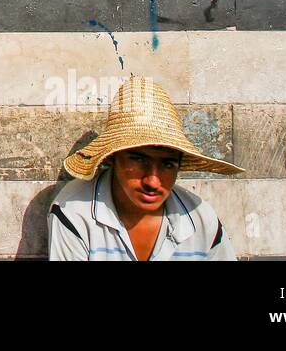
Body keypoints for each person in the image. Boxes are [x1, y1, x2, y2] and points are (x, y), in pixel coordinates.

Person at [48, 76, 242, 261]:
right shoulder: (75, 211)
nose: (152, 181)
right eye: (138, 160)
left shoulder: (199, 219)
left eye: (167, 164)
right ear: (113, 158)